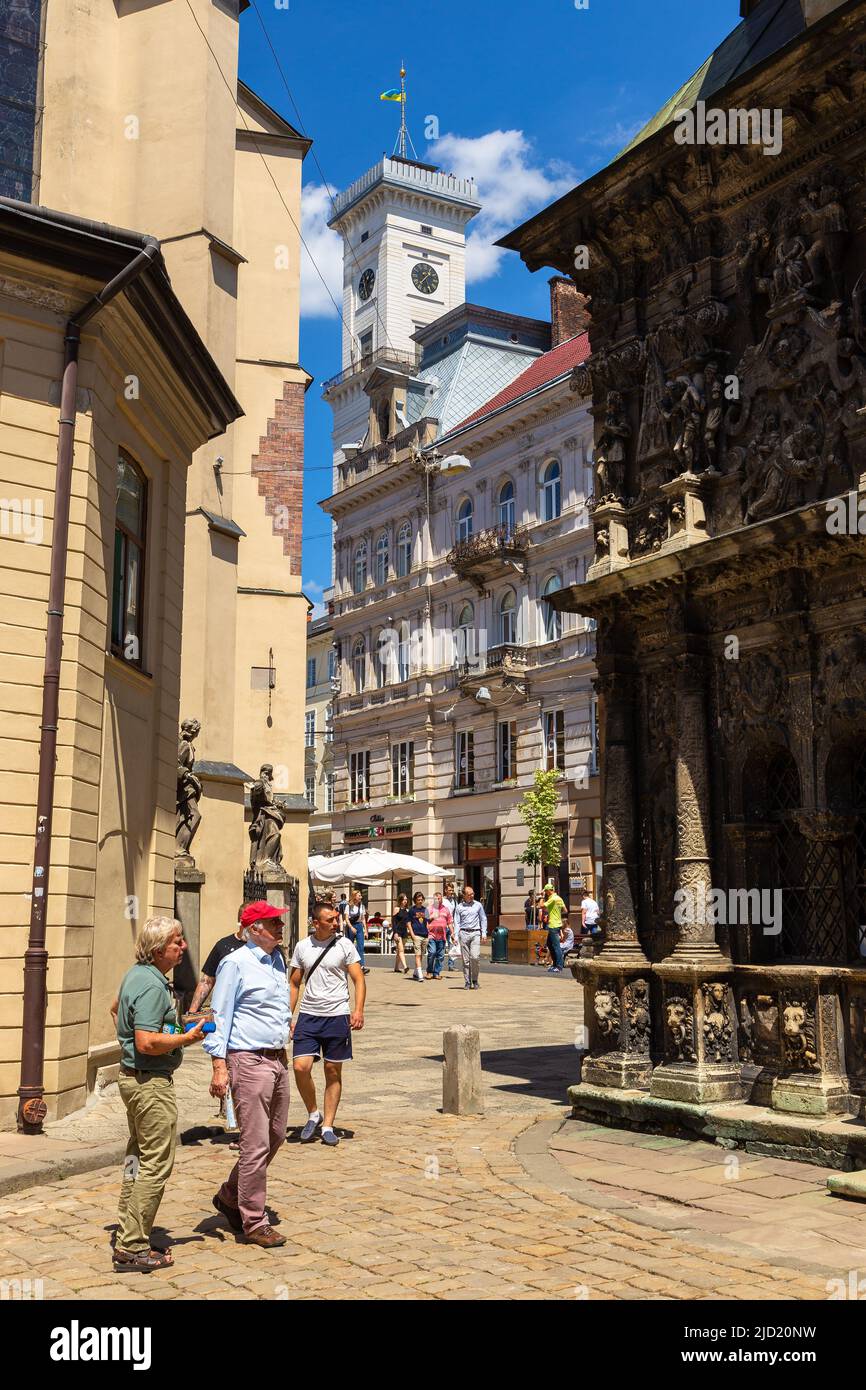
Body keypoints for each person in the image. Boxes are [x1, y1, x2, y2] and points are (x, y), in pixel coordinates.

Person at [113, 917, 207, 1273]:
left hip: (132, 1079)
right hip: (150, 1084)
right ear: (158, 950)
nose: (183, 947)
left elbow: (115, 1010)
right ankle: (133, 1246)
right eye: (177, 942)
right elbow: (147, 1041)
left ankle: (128, 1229)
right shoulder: (153, 987)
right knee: (155, 1163)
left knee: (137, 1157)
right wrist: (185, 1039)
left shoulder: (137, 975)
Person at [205, 901, 291, 1249]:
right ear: (254, 929)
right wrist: (219, 1065)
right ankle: (254, 1220)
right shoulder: (235, 963)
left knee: (276, 1135)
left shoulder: (277, 961)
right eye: (273, 922)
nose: (280, 926)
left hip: (277, 1058)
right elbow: (219, 1015)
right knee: (254, 1144)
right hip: (248, 1060)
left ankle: (229, 1194)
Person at [290, 900, 366, 1146]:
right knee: (301, 1067)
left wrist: (358, 1010)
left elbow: (358, 979)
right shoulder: (302, 947)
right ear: (316, 923)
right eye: (330, 920)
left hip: (337, 1015)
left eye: (336, 918)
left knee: (332, 1070)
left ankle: (328, 1126)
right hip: (309, 1015)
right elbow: (294, 984)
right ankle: (313, 1113)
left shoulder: (345, 945)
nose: (336, 923)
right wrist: (287, 1017)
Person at [188, 905, 246, 1014]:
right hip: (223, 1011)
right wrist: (192, 1012)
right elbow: (207, 981)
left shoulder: (266, 949)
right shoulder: (223, 945)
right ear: (241, 921)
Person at [453, 885, 487, 990]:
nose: (472, 896)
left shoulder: (478, 905)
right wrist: (455, 935)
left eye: (472, 894)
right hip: (463, 933)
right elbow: (457, 922)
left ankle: (475, 979)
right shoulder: (459, 907)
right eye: (469, 894)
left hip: (475, 933)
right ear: (464, 895)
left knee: (475, 957)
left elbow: (483, 919)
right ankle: (467, 981)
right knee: (466, 960)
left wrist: (484, 933)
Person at [425, 892, 453, 980]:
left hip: (442, 936)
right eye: (436, 899)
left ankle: (436, 972)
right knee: (432, 952)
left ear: (442, 899)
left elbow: (450, 922)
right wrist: (431, 917)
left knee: (440, 955)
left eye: (439, 898)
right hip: (431, 935)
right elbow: (425, 921)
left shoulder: (446, 909)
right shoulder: (429, 909)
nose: (438, 900)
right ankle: (429, 971)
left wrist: (452, 933)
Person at [543, 882, 568, 974]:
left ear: (549, 891)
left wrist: (541, 897)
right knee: (550, 944)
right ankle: (555, 965)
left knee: (556, 946)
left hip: (553, 925)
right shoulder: (559, 898)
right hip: (556, 923)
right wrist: (556, 914)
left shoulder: (552, 898)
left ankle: (559, 966)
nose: (545, 893)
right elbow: (565, 910)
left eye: (546, 891)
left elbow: (541, 906)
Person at [345, 889, 370, 974]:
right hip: (350, 926)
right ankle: (348, 965)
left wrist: (365, 930)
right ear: (354, 896)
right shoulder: (348, 906)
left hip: (359, 926)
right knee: (349, 947)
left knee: (361, 947)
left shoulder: (361, 906)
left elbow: (363, 919)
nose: (361, 897)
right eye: (359, 895)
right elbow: (346, 919)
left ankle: (361, 966)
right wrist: (351, 927)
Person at [407, 891, 429, 981]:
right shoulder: (412, 910)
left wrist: (429, 933)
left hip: (425, 935)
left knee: (421, 955)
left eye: (421, 899)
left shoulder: (425, 910)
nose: (420, 901)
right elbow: (408, 923)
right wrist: (412, 934)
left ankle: (416, 972)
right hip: (416, 935)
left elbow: (427, 922)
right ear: (415, 900)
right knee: (417, 954)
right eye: (418, 900)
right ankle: (420, 975)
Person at [390, 892, 411, 974]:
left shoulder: (407, 910)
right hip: (398, 931)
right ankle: (405, 967)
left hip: (404, 932)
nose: (405, 901)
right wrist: (395, 933)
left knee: (399, 951)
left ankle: (396, 967)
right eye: (403, 899)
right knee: (401, 950)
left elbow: (408, 922)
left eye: (406, 899)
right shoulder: (396, 909)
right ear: (400, 900)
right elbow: (393, 922)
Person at [442, 880, 458, 971]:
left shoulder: (454, 901)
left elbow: (455, 913)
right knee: (442, 945)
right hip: (443, 925)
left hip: (451, 925)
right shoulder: (442, 901)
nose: (451, 892)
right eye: (450, 890)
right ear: (445, 890)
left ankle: (451, 965)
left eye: (452, 890)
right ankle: (439, 965)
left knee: (452, 945)